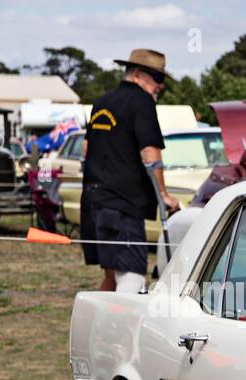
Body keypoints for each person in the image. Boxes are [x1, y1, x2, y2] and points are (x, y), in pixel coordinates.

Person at [81, 49, 180, 293]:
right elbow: (150, 153)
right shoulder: (142, 101)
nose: (160, 86)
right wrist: (164, 195)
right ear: (137, 74)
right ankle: (120, 332)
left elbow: (86, 149)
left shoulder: (102, 102)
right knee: (132, 278)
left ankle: (97, 331)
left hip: (94, 203)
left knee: (112, 276)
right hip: (121, 207)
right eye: (157, 78)